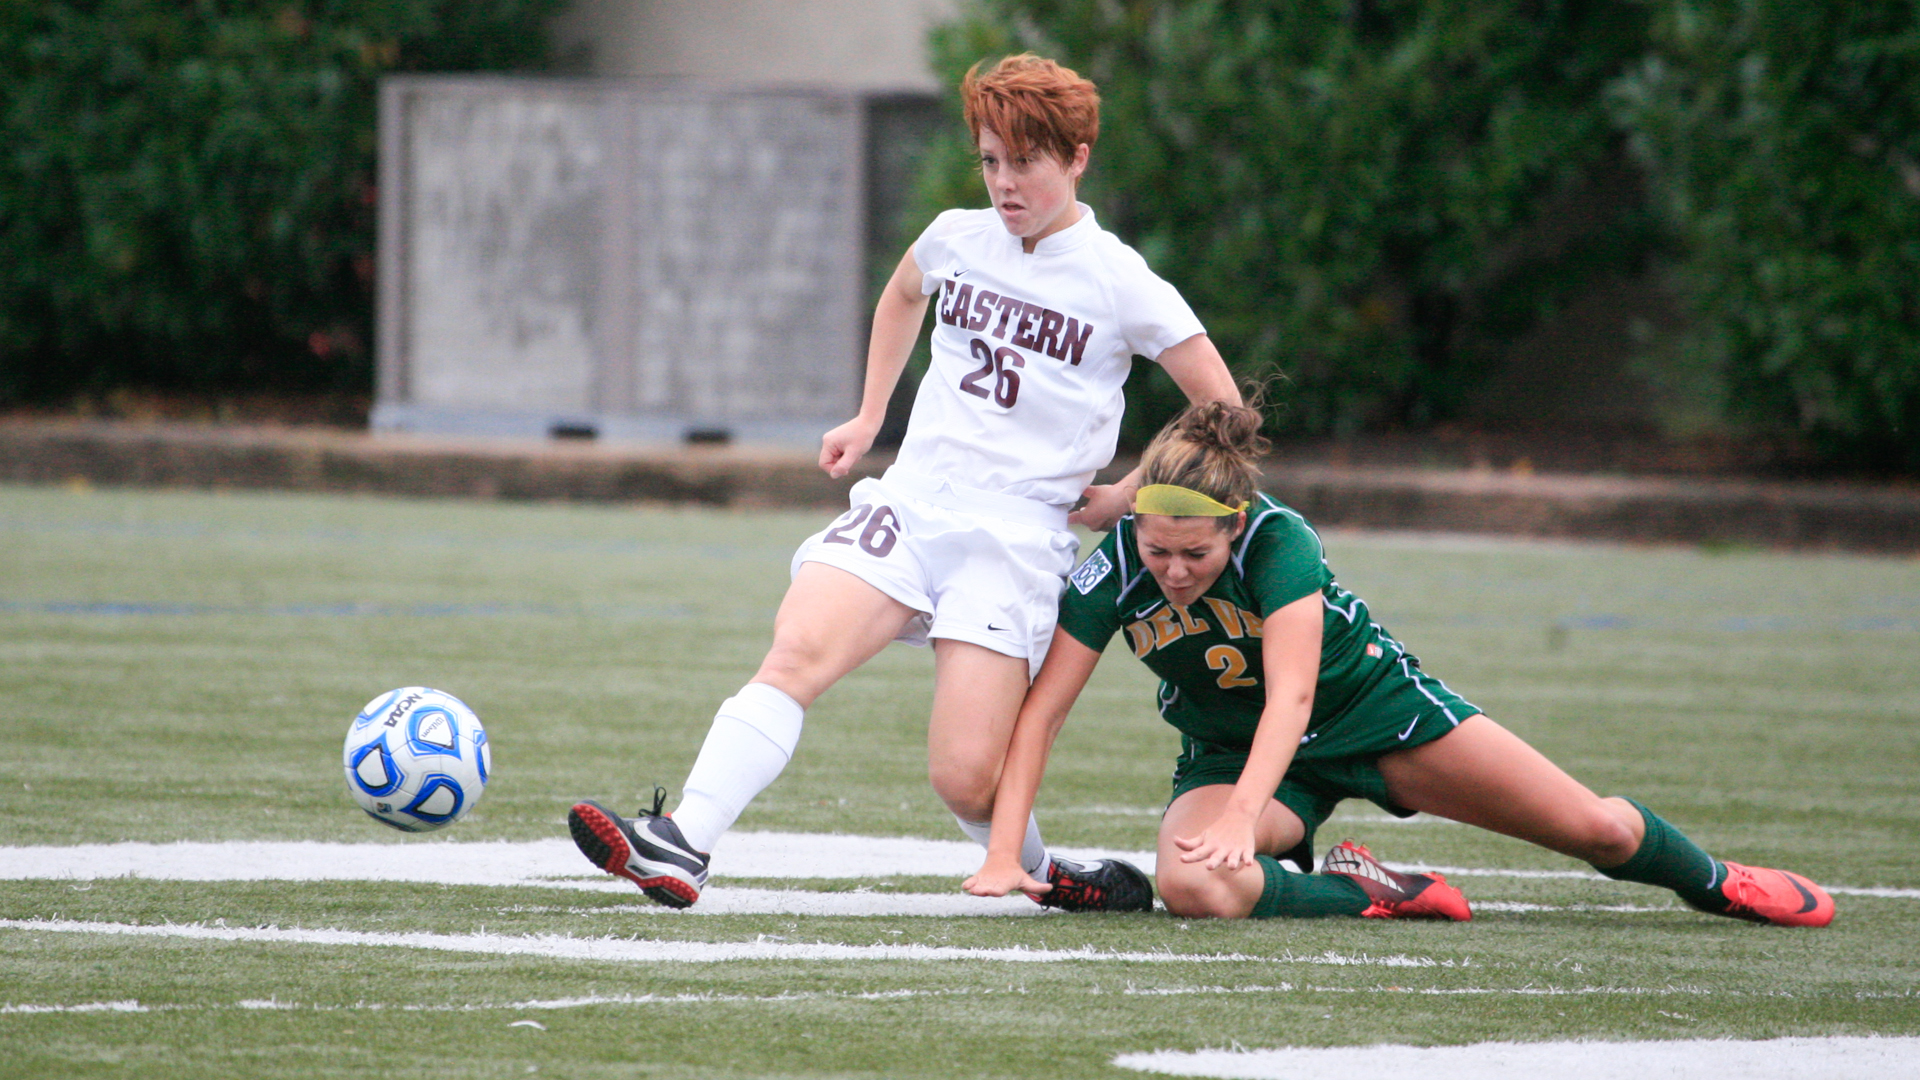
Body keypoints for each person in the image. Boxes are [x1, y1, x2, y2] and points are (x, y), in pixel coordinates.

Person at [566, 54, 1239, 909]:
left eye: (1026, 161)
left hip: (1013, 535)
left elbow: (1218, 403)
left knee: (963, 778)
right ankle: (684, 842)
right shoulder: (956, 236)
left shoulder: (1119, 278)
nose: (1004, 182)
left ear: (1077, 158)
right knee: (794, 652)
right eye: (990, 160)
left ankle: (1047, 872)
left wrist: (1128, 494)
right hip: (914, 501)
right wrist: (869, 414)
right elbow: (902, 294)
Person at [963, 401, 1837, 927]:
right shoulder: (1113, 565)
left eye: (1195, 552)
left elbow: (1295, 692)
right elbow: (1041, 715)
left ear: (1236, 523)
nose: (1174, 570)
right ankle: (1370, 890)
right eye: (1159, 550)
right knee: (1194, 885)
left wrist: (1244, 819)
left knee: (1596, 831)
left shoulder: (1280, 542)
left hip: (1380, 719)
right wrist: (1006, 854)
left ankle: (1717, 882)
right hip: (1233, 754)